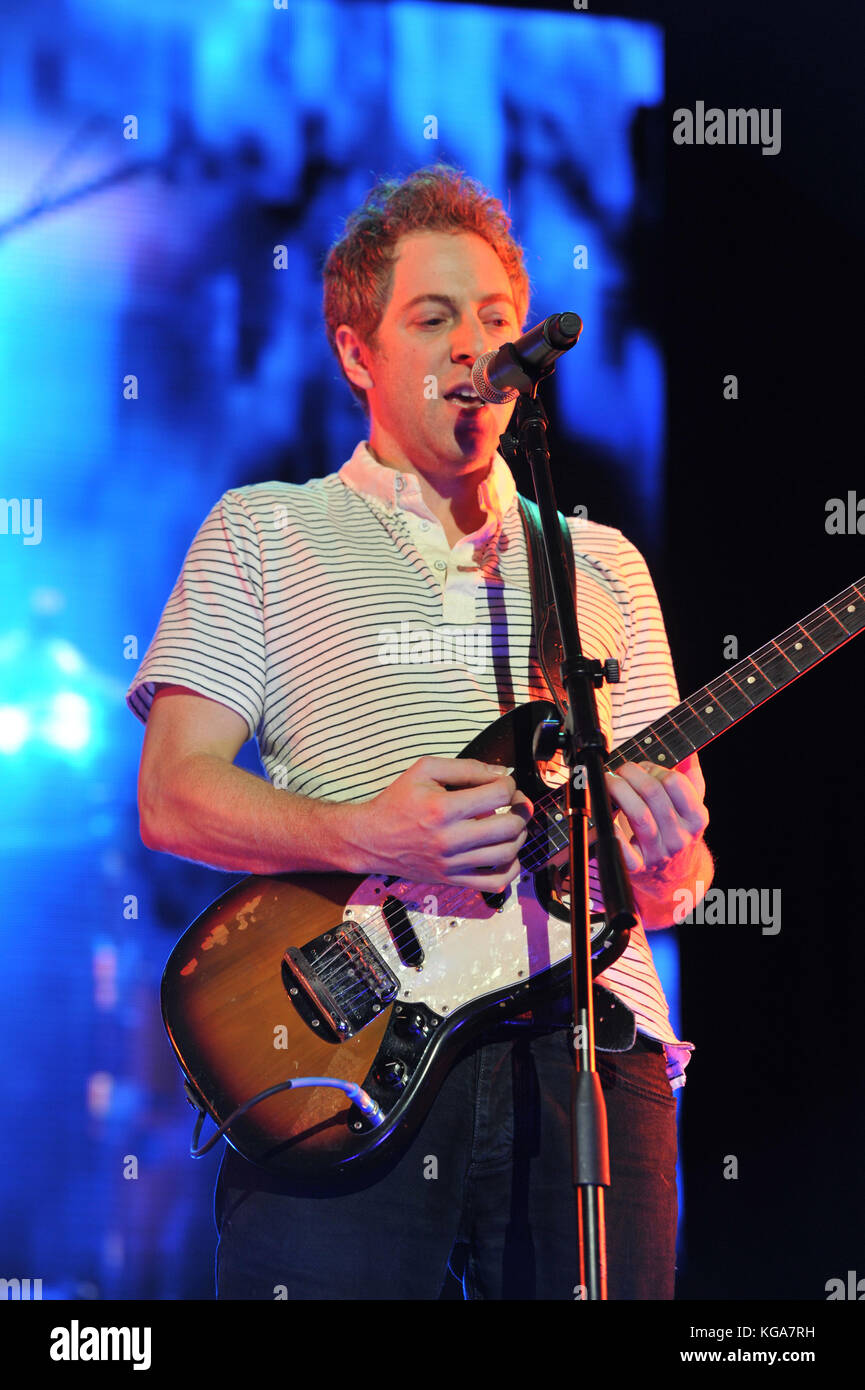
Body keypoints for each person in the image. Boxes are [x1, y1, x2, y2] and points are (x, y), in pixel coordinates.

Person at [128, 163, 712, 1300]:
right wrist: (371, 833)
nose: (474, 348)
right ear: (358, 352)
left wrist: (667, 846)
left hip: (588, 1048)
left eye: (496, 321)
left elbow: (681, 878)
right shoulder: (264, 529)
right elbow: (173, 793)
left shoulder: (602, 565)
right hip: (345, 1039)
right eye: (433, 318)